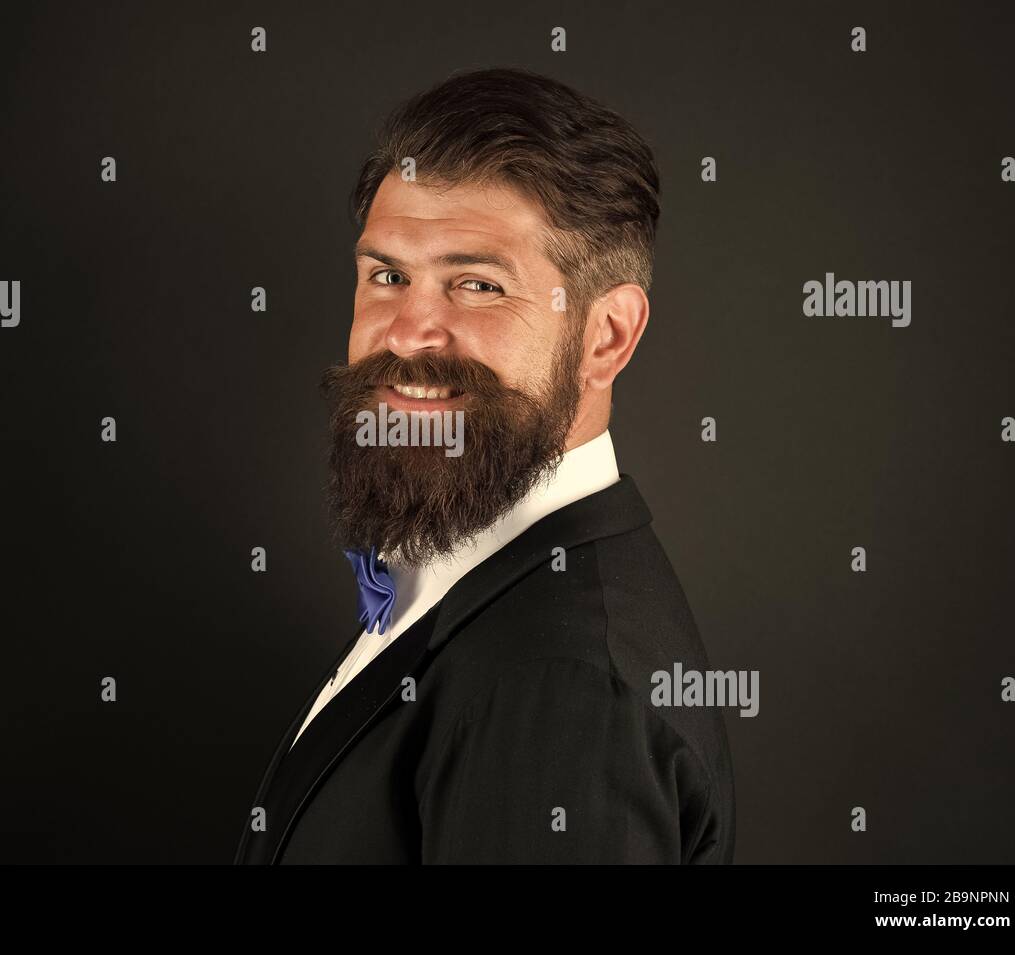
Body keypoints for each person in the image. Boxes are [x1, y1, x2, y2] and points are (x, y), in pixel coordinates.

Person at [235, 66, 735, 864]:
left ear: (608, 337)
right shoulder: (470, 582)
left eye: (477, 284)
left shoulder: (562, 697)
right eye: (388, 276)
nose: (408, 333)